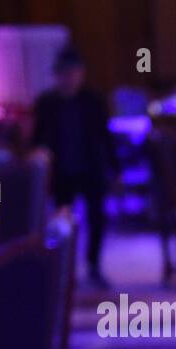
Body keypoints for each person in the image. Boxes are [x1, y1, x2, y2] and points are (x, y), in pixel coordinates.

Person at [32, 46, 115, 288]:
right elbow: (38, 138)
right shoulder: (47, 103)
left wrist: (114, 168)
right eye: (65, 73)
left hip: (91, 169)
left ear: (81, 74)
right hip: (62, 172)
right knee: (61, 221)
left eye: (74, 73)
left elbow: (105, 137)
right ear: (57, 75)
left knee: (97, 219)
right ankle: (64, 267)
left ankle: (94, 265)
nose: (69, 78)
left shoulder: (93, 101)